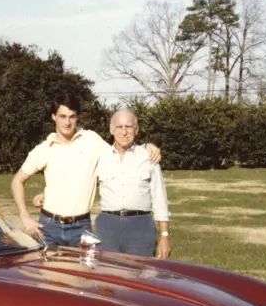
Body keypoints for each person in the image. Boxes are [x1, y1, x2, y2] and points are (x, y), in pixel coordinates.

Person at [10, 93, 161, 247]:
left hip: (81, 227)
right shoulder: (44, 149)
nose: (67, 122)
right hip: (49, 227)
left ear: (77, 117)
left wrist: (147, 147)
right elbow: (17, 181)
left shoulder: (91, 140)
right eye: (62, 116)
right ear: (54, 117)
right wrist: (25, 217)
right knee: (50, 271)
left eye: (72, 116)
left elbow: (118, 152)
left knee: (84, 271)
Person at [93, 108, 171, 258]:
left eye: (128, 127)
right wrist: (46, 193)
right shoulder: (100, 157)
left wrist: (165, 235)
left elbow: (160, 198)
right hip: (107, 226)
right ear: (111, 129)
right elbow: (81, 184)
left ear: (136, 129)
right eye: (119, 127)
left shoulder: (149, 157)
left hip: (140, 227)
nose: (124, 132)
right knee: (107, 275)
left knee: (140, 275)